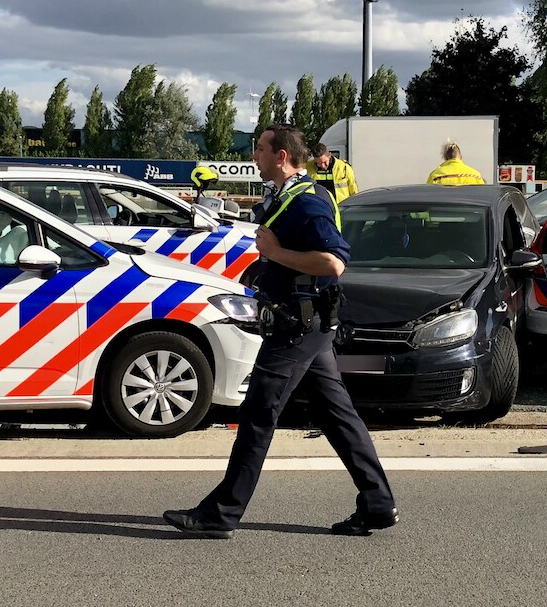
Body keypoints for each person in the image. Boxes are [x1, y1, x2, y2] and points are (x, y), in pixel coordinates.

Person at [163, 123, 397, 539]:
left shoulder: (306, 203)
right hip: (309, 324)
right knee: (337, 416)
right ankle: (377, 502)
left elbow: (333, 263)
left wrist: (275, 253)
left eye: (260, 149)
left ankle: (221, 514)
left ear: (281, 156)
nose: (254, 155)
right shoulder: (291, 196)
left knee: (256, 415)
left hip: (298, 327)